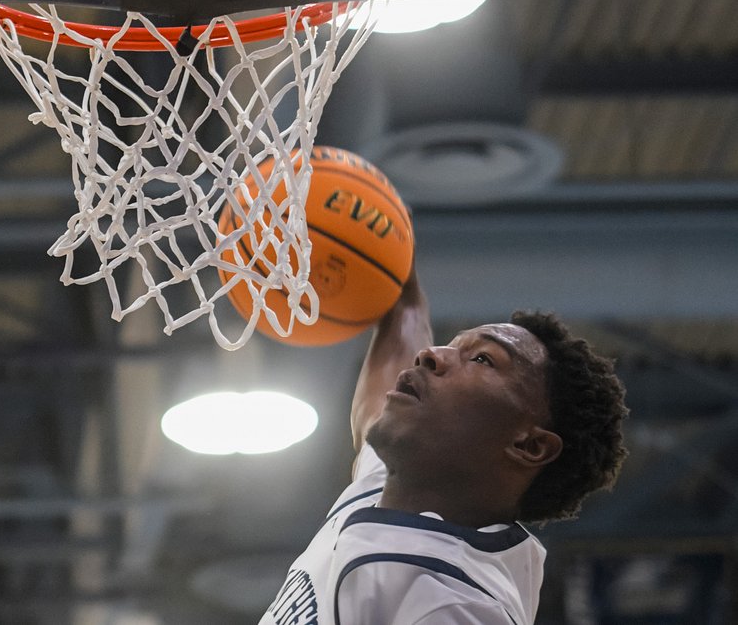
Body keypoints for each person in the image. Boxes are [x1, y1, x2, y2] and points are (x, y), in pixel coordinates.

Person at [260, 265, 629, 625]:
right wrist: (391, 258)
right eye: (451, 345)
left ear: (530, 445)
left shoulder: (454, 604)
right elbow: (404, 333)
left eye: (483, 359)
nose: (431, 355)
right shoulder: (386, 491)